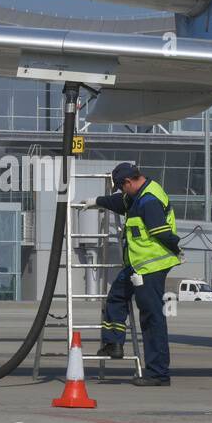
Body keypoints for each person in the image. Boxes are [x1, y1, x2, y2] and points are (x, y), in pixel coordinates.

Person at [79, 163, 182, 386]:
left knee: (152, 318)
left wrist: (176, 248)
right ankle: (113, 343)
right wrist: (97, 201)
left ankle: (158, 374)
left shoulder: (149, 200)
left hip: (151, 268)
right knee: (115, 297)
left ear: (129, 182)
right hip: (136, 266)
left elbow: (161, 232)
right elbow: (119, 202)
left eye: (122, 187)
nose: (122, 192)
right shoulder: (136, 196)